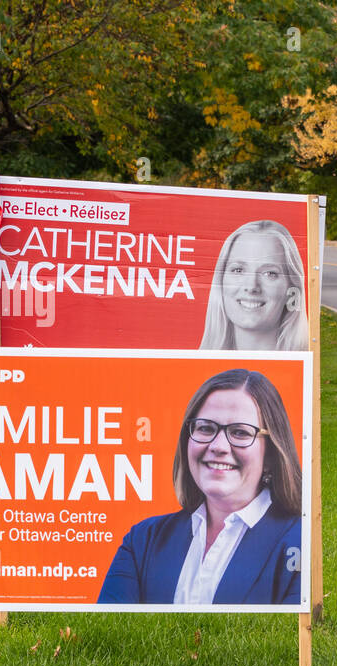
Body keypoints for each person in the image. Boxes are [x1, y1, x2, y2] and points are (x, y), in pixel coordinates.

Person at [98, 369, 303, 605]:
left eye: (239, 432)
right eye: (205, 428)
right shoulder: (142, 541)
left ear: (271, 453)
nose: (218, 446)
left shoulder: (300, 543)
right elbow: (111, 634)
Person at [200, 220, 308, 351]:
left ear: (291, 293)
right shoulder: (193, 366)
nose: (251, 286)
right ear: (221, 282)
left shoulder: (305, 368)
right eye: (238, 270)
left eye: (270, 273)